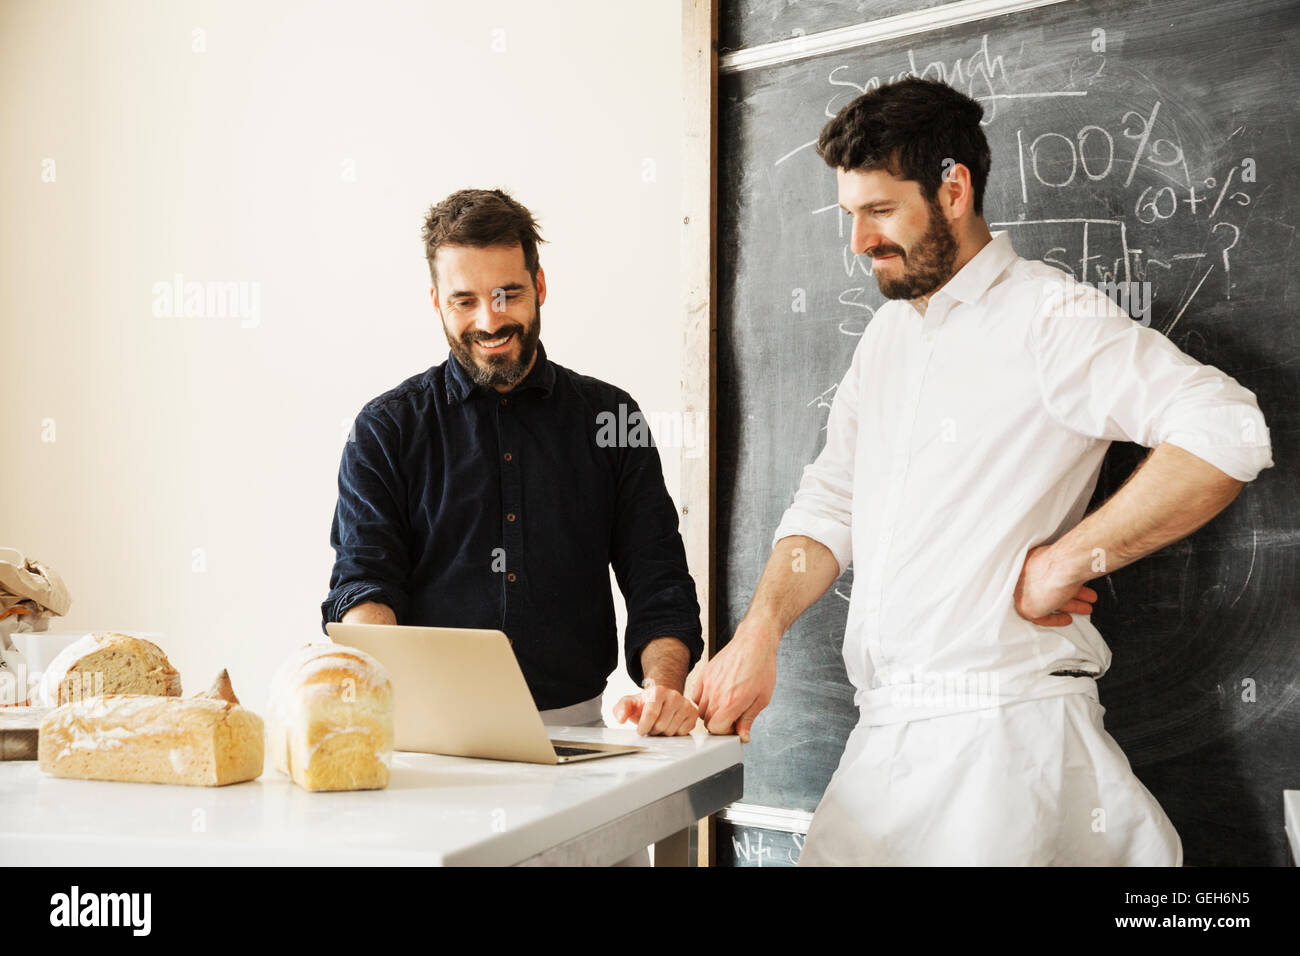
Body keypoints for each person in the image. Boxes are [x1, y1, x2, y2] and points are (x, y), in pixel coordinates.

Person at [692, 77, 1273, 865]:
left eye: (880, 211)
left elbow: (1228, 427)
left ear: (954, 189)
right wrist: (758, 633)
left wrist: (1070, 558)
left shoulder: (1049, 318)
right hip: (881, 742)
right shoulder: (887, 341)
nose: (859, 241)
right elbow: (830, 502)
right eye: (849, 216)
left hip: (1001, 745)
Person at [321, 187, 703, 741]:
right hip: (428, 740)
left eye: (508, 294)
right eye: (464, 301)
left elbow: (659, 583)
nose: (490, 321)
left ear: (540, 287)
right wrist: (386, 677)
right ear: (437, 302)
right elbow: (364, 584)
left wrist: (663, 684)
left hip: (581, 733)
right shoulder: (386, 428)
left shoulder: (613, 418)